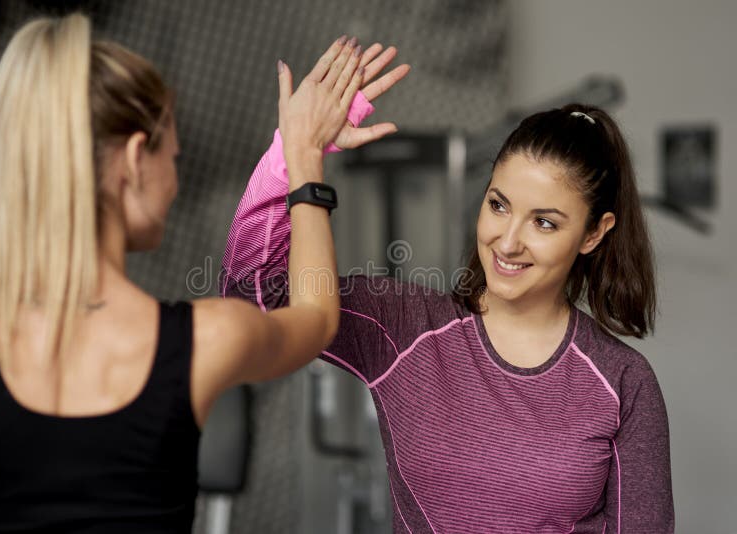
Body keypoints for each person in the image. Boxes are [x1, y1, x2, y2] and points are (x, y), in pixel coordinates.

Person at [0, 13, 401, 532]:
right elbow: (316, 316)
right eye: (173, 156)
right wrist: (301, 158)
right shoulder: (205, 338)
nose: (176, 179)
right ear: (136, 159)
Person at [222, 97, 675, 529]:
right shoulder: (404, 326)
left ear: (594, 234)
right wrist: (295, 153)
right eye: (498, 205)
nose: (509, 241)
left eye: (544, 222)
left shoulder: (623, 383)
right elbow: (249, 296)